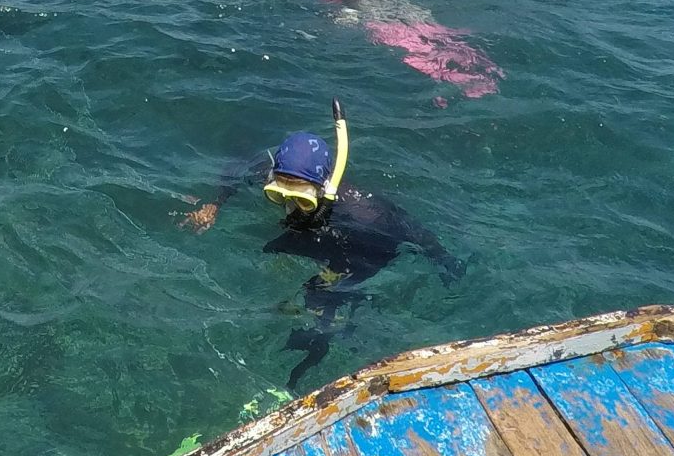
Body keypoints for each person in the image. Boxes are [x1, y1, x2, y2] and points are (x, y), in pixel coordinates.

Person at [182, 101, 463, 388]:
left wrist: (442, 258)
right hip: (319, 229)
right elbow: (237, 168)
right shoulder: (269, 169)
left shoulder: (364, 212)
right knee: (272, 249)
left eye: (301, 199)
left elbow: (409, 228)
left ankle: (323, 347)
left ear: (321, 187)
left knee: (317, 295)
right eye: (280, 195)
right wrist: (214, 205)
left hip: (364, 248)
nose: (291, 205)